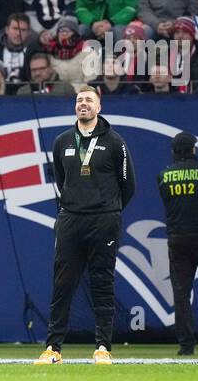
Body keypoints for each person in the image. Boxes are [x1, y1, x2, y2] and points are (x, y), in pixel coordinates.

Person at [35, 88, 135, 365]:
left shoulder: (115, 142)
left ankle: (103, 347)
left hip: (104, 221)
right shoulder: (62, 141)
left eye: (89, 100)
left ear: (99, 107)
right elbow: (62, 180)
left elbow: (129, 186)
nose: (83, 104)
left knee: (102, 283)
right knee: (62, 284)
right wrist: (76, 206)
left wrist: (108, 210)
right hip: (71, 220)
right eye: (79, 100)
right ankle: (53, 348)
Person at [159, 131, 198, 357]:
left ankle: (186, 345)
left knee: (181, 293)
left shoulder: (164, 175)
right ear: (194, 149)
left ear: (174, 151)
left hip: (178, 239)